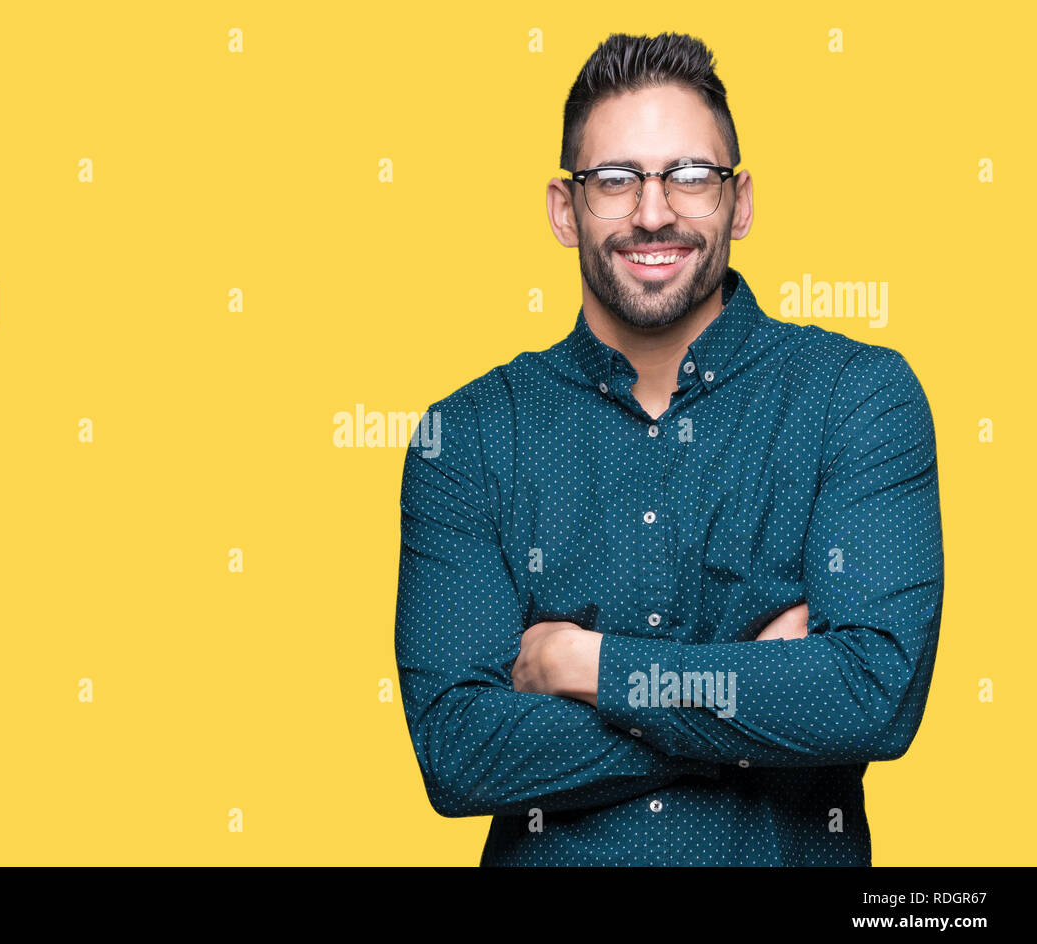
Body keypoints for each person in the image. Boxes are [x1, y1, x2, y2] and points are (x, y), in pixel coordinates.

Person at [393, 31, 944, 865]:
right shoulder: (465, 439)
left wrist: (584, 663)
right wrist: (746, 699)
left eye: (691, 175)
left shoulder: (859, 398)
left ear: (741, 200)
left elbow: (870, 696)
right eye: (615, 180)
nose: (654, 212)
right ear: (562, 208)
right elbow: (461, 754)